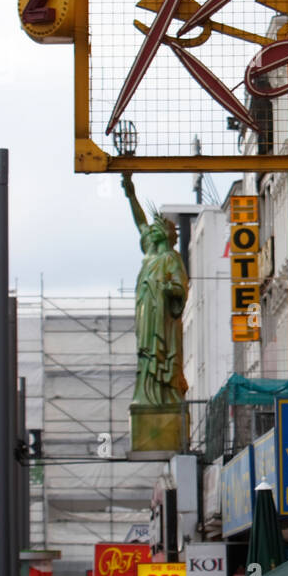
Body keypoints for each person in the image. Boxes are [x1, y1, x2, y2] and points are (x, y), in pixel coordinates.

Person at [121, 173, 188, 406]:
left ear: (166, 233)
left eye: (157, 226)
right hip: (145, 312)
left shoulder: (171, 257)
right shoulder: (150, 253)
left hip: (162, 317)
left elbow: (180, 288)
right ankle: (146, 395)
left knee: (160, 353)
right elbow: (140, 222)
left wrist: (168, 288)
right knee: (145, 352)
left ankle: (164, 394)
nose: (151, 229)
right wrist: (131, 194)